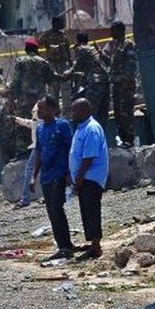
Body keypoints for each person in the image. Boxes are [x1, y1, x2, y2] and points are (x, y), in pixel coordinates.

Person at [29, 96, 75, 261]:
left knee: (56, 209)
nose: (39, 111)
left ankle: (65, 246)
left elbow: (70, 148)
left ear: (53, 109)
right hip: (46, 176)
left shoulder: (62, 125)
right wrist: (33, 177)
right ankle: (63, 245)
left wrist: (70, 173)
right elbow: (39, 154)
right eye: (38, 108)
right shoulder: (40, 129)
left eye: (42, 108)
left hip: (59, 173)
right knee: (51, 211)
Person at [68, 98, 109, 261]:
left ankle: (96, 246)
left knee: (92, 210)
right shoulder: (81, 128)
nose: (73, 114)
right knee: (86, 211)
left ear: (85, 111)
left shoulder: (92, 129)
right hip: (84, 177)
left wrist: (78, 177)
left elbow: (89, 157)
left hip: (91, 177)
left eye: (75, 111)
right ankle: (92, 243)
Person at [103, 21, 139, 148]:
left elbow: (130, 67)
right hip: (117, 85)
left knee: (126, 112)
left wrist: (120, 79)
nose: (111, 33)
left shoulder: (128, 45)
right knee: (118, 113)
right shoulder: (116, 46)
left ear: (120, 31)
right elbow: (113, 65)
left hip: (125, 86)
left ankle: (129, 140)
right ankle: (123, 140)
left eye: (113, 30)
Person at [62, 32, 110, 125]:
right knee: (103, 112)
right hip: (105, 79)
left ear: (78, 41)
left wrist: (66, 74)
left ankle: (89, 132)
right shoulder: (92, 48)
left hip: (95, 81)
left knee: (90, 109)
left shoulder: (81, 48)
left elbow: (77, 65)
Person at [11, 94, 41, 209]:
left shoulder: (38, 108)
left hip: (38, 147)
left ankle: (25, 199)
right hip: (39, 146)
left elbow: (35, 124)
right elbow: (33, 124)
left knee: (29, 171)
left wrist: (18, 120)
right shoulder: (39, 107)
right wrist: (18, 120)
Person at [37, 16, 74, 110]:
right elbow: (37, 44)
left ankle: (67, 115)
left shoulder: (63, 35)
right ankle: (54, 114)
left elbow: (67, 50)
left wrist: (70, 65)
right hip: (52, 65)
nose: (63, 24)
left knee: (66, 91)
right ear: (55, 24)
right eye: (61, 23)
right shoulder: (47, 35)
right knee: (53, 92)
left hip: (63, 65)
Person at [8, 37, 54, 111]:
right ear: (36, 49)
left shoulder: (20, 62)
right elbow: (50, 80)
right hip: (40, 100)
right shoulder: (43, 62)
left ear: (26, 49)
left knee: (23, 120)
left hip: (24, 98)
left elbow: (15, 81)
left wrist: (11, 99)